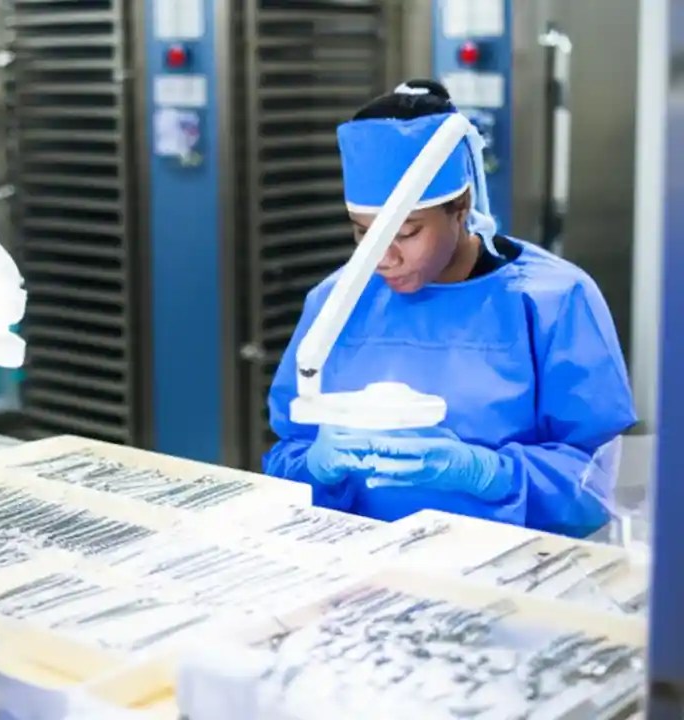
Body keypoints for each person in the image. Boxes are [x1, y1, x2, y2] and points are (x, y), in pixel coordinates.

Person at [264, 80, 637, 539]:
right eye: (364, 233)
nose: (383, 257)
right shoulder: (335, 302)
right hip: (359, 568)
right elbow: (287, 455)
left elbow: (594, 482)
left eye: (405, 233)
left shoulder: (553, 301)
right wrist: (317, 469)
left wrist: (488, 473)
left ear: (460, 208)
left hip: (506, 568)